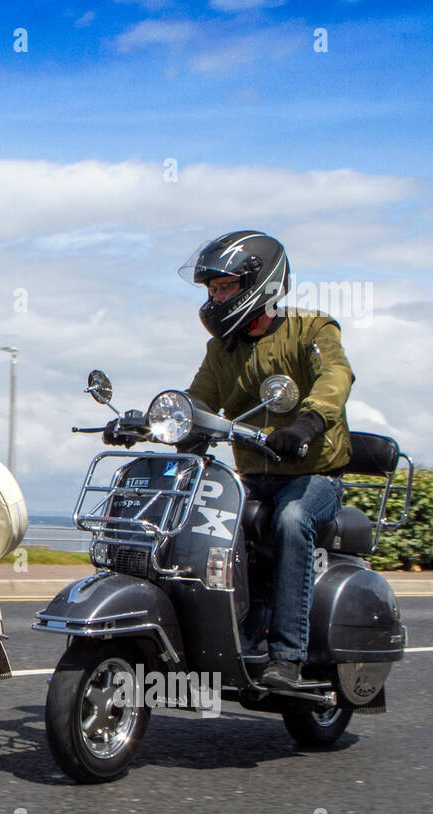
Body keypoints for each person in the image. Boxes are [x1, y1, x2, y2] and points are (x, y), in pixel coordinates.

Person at [108, 230, 354, 688]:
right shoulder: (222, 350)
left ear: (261, 284)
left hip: (314, 475)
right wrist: (146, 421)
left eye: (225, 287)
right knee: (198, 524)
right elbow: (197, 400)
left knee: (291, 520)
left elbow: (334, 380)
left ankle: (287, 654)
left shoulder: (313, 329)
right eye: (212, 289)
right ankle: (223, 635)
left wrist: (304, 425)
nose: (215, 297)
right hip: (254, 476)